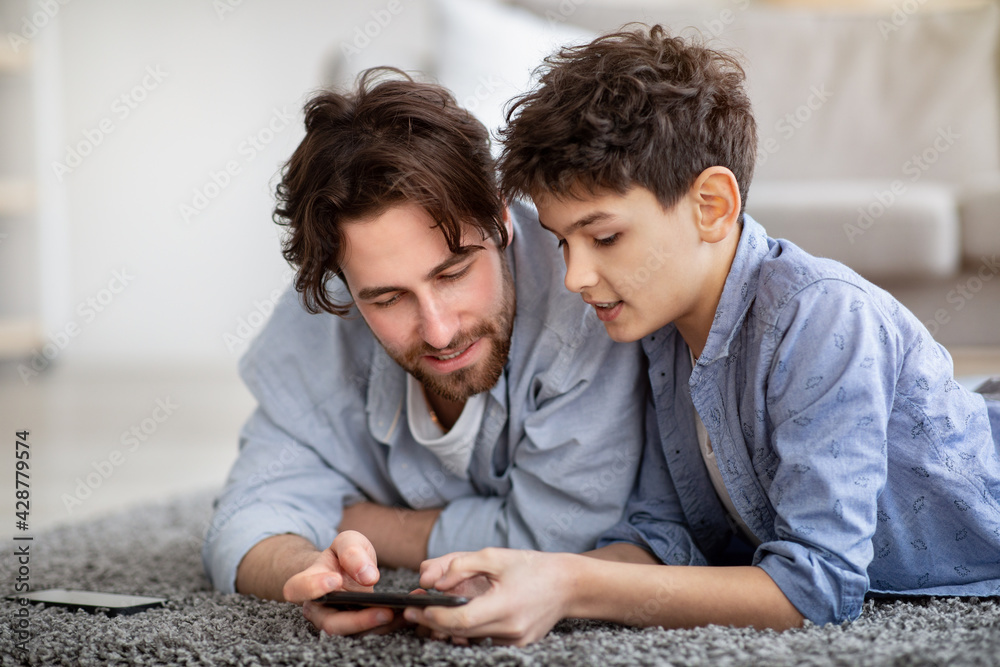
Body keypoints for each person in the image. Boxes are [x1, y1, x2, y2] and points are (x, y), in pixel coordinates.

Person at [406, 25, 1000, 646]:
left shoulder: (822, 317)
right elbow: (662, 536)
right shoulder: (655, 331)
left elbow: (819, 587)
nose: (575, 278)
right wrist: (531, 577)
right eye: (562, 243)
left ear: (711, 205)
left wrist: (572, 585)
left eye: (604, 237)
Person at [201, 68, 647, 636]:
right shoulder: (322, 322)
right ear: (344, 283)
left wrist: (361, 521)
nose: (438, 331)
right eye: (388, 299)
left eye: (454, 273)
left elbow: (558, 541)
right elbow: (242, 522)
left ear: (501, 218)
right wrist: (307, 569)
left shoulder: (584, 301)